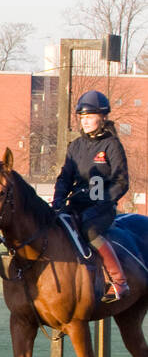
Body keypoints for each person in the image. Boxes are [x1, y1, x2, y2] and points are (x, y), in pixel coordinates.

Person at [52, 90, 129, 302]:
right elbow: (65, 177)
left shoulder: (111, 145)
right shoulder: (75, 146)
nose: (85, 122)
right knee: (55, 224)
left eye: (90, 117)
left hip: (102, 209)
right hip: (76, 205)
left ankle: (119, 281)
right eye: (82, 118)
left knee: (88, 229)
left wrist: (104, 200)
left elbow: (122, 181)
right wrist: (58, 200)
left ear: (102, 117)